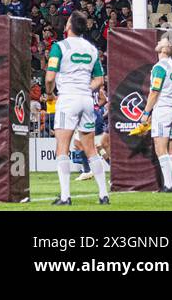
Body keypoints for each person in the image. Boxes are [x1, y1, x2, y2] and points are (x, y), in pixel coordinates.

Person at [44, 11, 109, 205]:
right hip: (86, 100)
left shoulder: (59, 47)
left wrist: (49, 94)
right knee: (91, 149)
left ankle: (65, 196)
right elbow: (99, 79)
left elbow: (49, 77)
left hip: (68, 99)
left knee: (62, 148)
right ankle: (103, 194)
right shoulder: (91, 49)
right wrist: (84, 89)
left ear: (69, 26)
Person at [134, 37, 172, 192]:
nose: (157, 43)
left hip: (162, 111)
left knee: (160, 148)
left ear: (163, 49)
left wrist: (146, 113)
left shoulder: (160, 67)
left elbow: (154, 92)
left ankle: (168, 185)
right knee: (171, 148)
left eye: (161, 42)